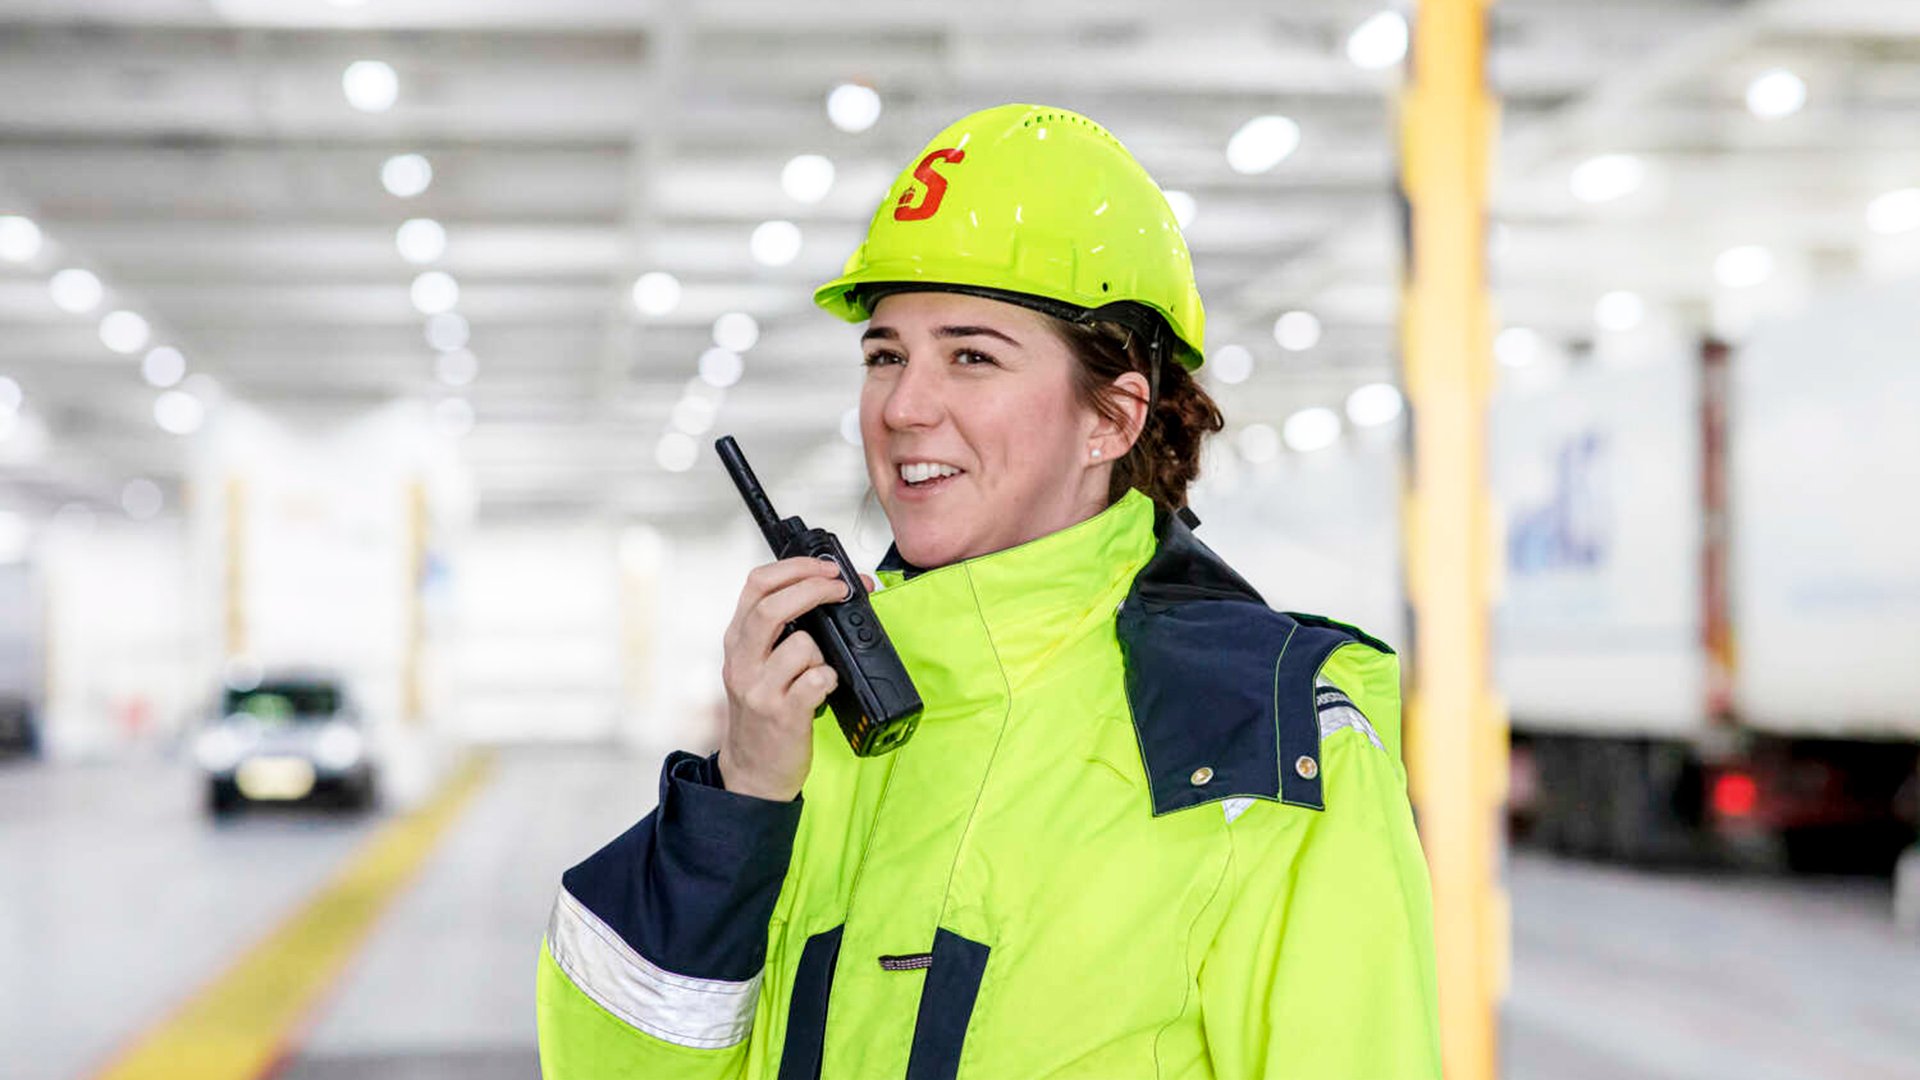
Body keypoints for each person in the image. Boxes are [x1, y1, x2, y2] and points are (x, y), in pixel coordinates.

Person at [536, 103, 1441, 1079]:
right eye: (885, 355)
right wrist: (740, 802)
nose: (903, 407)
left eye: (971, 355)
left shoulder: (1258, 734)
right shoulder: (814, 721)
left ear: (1113, 415)